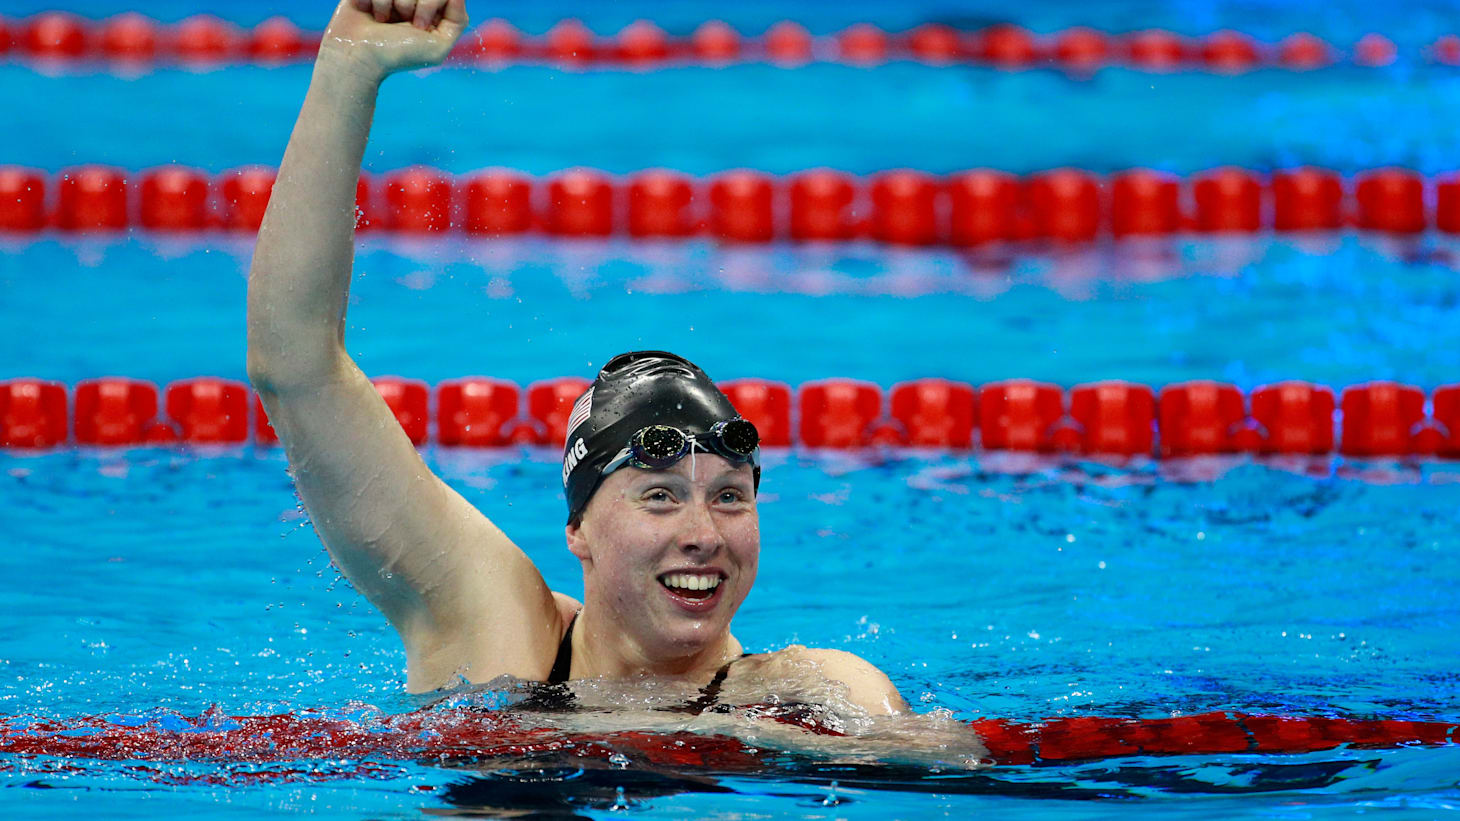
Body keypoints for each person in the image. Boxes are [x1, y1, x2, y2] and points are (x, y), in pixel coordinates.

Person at [245, 0, 907, 718]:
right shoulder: (496, 630)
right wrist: (351, 63)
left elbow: (946, 768)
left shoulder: (808, 692)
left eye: (729, 496)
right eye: (660, 494)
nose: (704, 535)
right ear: (578, 531)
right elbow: (295, 365)